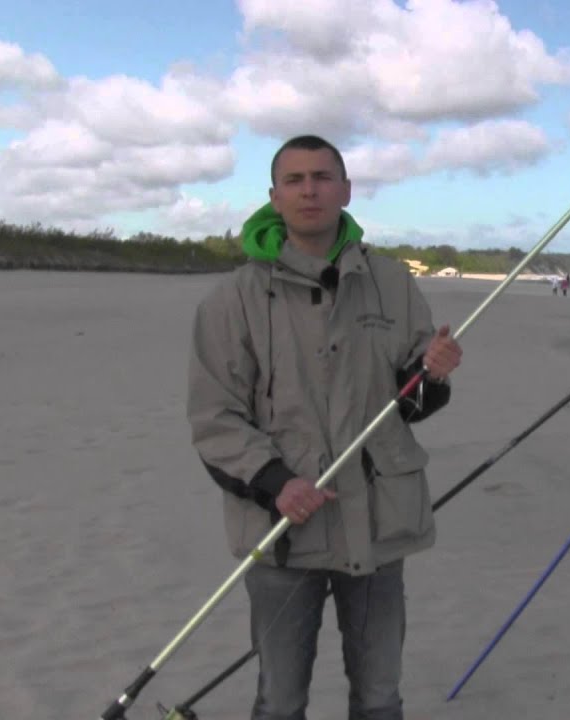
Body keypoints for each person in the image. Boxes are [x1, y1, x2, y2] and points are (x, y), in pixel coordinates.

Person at [186, 134, 463, 720]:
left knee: (380, 697)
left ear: (346, 190)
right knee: (280, 700)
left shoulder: (392, 281)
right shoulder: (232, 299)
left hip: (378, 525)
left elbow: (411, 404)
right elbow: (215, 418)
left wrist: (432, 373)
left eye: (321, 177)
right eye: (295, 180)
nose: (309, 190)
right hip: (284, 532)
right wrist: (276, 482)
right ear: (274, 197)